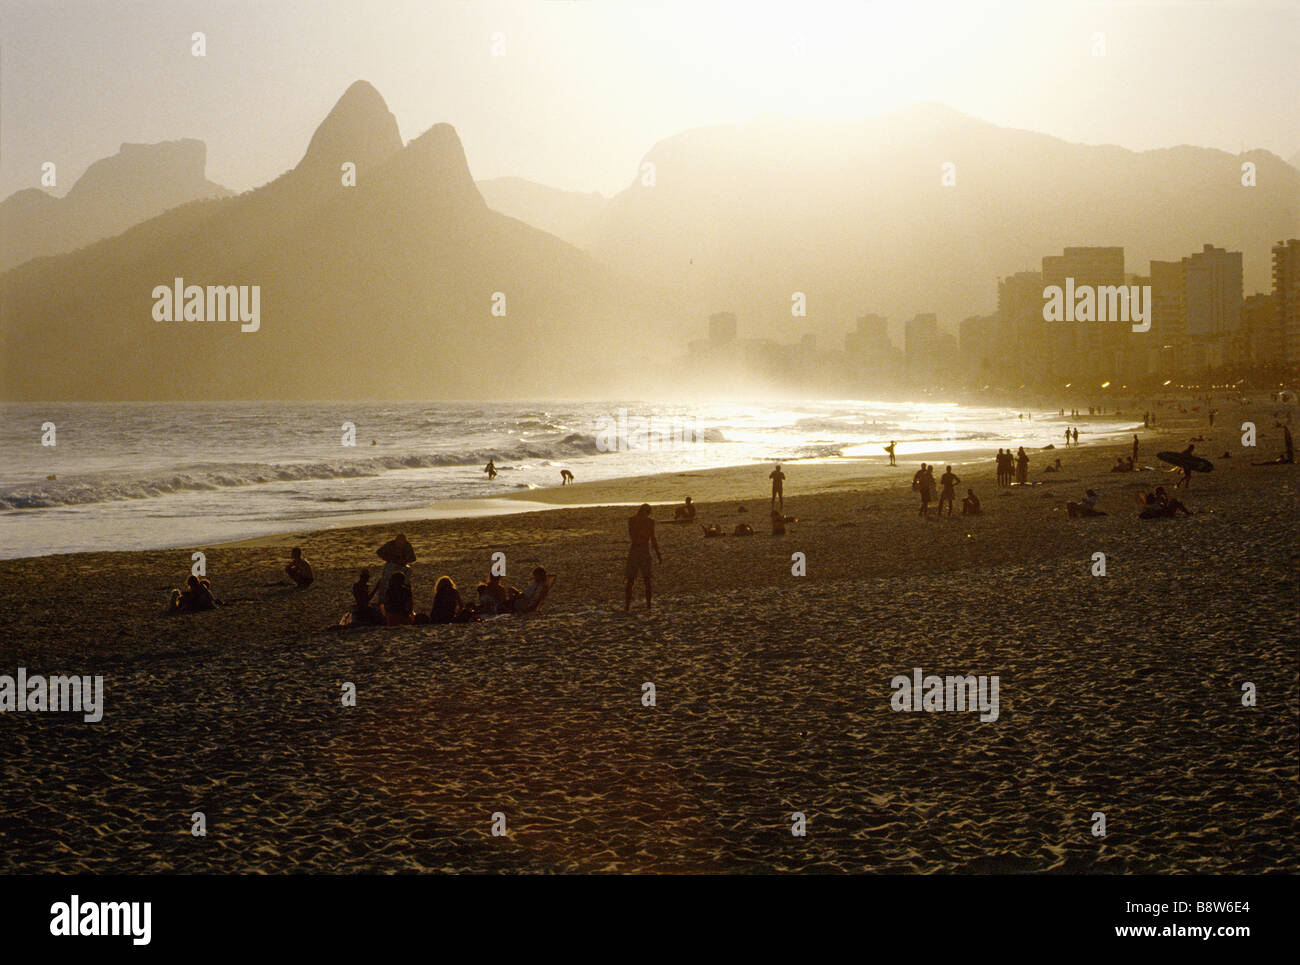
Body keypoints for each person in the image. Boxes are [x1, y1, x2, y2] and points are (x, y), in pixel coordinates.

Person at [625, 504, 662, 610]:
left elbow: (652, 538)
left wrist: (658, 554)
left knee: (647, 579)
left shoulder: (650, 522)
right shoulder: (633, 520)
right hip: (636, 550)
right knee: (631, 579)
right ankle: (627, 605)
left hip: (643, 550)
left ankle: (648, 604)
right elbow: (633, 536)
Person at [375, 533, 415, 602]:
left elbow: (413, 558)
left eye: (402, 542)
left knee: (409, 572)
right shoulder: (390, 544)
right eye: (398, 541)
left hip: (403, 565)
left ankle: (405, 589)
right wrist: (388, 558)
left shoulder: (407, 546)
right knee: (386, 577)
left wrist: (405, 560)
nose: (400, 544)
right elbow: (379, 552)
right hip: (392, 563)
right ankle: (383, 596)